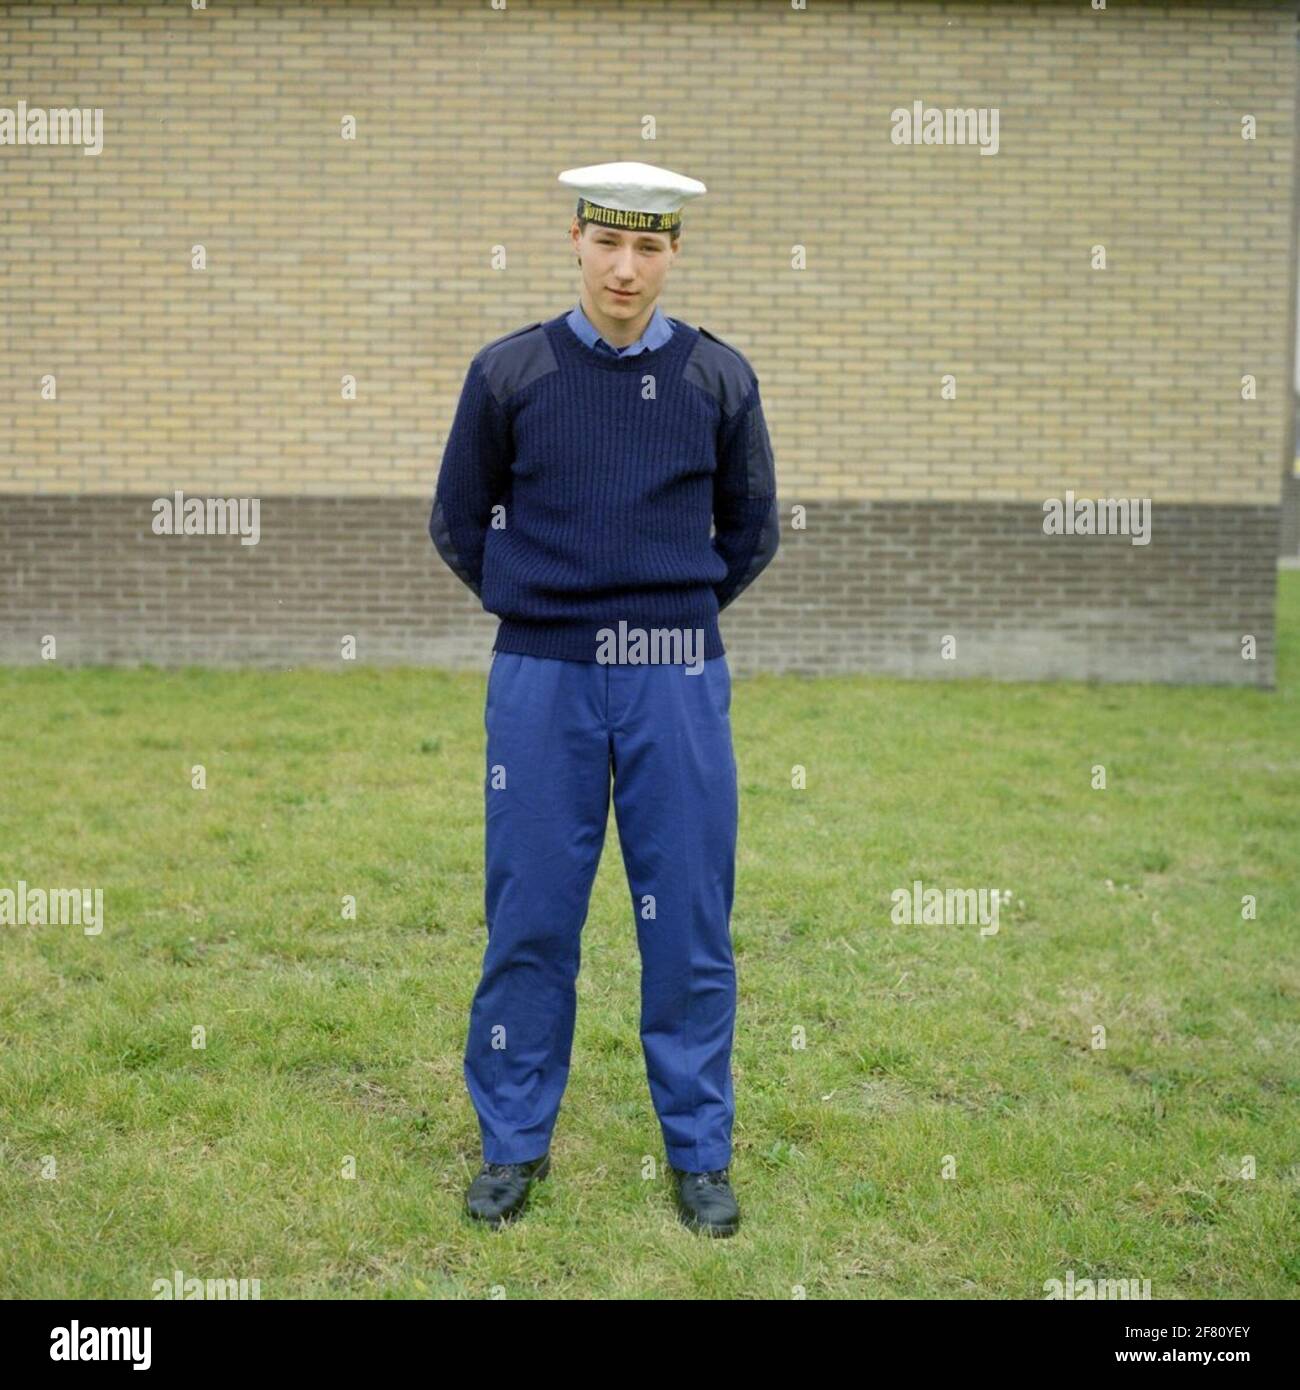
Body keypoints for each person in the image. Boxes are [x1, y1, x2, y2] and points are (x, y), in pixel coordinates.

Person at [429, 160, 780, 1237]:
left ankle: (699, 1153)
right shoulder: (510, 373)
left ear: (675, 253)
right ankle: (513, 1144)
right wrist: (551, 615)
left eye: (650, 247)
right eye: (608, 243)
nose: (626, 268)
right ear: (576, 240)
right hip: (542, 681)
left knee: (688, 922)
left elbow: (749, 530)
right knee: (531, 915)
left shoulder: (717, 378)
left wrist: (663, 620)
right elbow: (457, 521)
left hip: (677, 676)